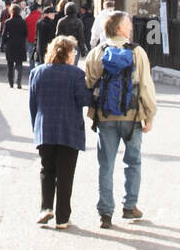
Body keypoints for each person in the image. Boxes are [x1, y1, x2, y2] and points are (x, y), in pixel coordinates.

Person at [84, 11, 156, 228]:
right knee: (133, 162)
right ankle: (129, 206)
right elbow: (145, 86)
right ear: (119, 29)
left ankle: (105, 212)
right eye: (128, 25)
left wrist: (92, 112)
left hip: (105, 116)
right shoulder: (137, 52)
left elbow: (89, 84)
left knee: (105, 164)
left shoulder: (97, 53)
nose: (131, 28)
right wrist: (149, 115)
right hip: (132, 116)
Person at [29, 35, 95, 229]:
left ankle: (45, 207)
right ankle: (62, 217)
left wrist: (36, 127)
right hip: (68, 128)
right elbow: (84, 99)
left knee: (46, 170)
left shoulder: (37, 72)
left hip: (45, 128)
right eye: (73, 51)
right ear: (67, 53)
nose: (75, 54)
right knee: (65, 174)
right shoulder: (75, 74)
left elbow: (33, 104)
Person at [0, 3, 28, 89]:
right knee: (19, 64)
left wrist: (4, 43)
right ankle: (18, 81)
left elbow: (4, 35)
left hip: (10, 44)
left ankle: (11, 82)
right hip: (20, 44)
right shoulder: (23, 22)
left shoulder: (8, 22)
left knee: (10, 64)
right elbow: (25, 33)